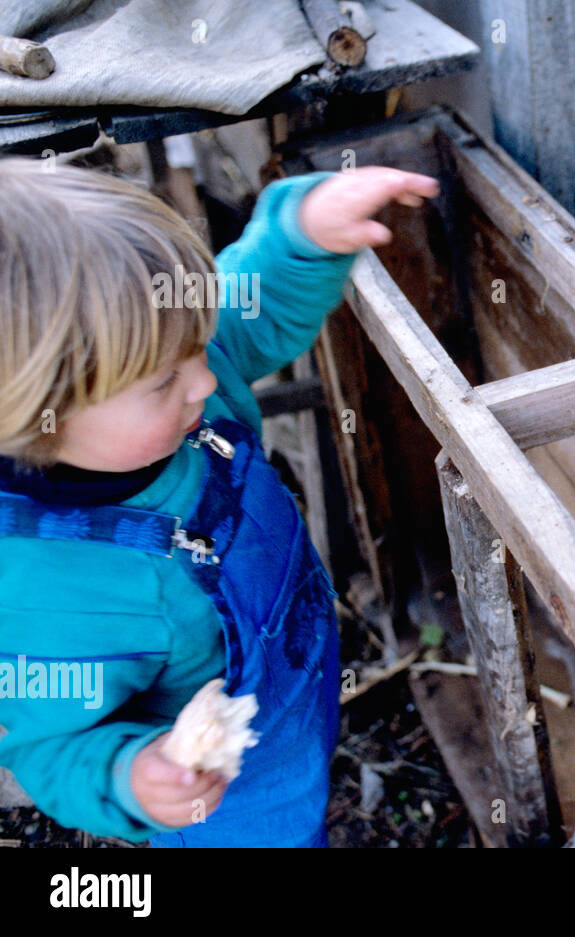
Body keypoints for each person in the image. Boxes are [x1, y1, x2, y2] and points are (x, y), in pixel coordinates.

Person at [0, 155, 437, 846]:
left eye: (197, 343)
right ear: (40, 415)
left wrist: (300, 233)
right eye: (166, 381)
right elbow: (50, 743)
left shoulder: (161, 367)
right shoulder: (37, 588)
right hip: (224, 796)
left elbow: (243, 310)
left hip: (294, 682)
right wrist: (133, 774)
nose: (206, 377)